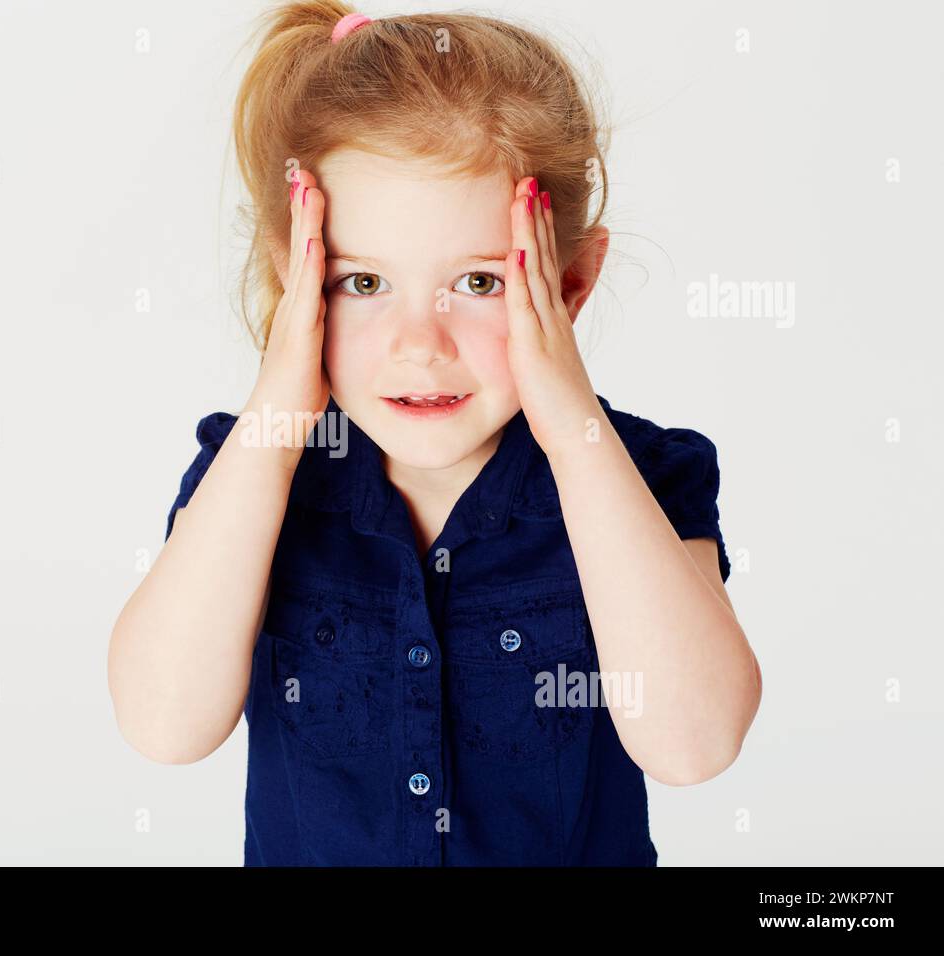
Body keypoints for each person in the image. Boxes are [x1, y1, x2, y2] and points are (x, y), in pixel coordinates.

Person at [108, 1, 762, 866]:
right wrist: (274, 416)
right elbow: (164, 725)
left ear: (570, 284)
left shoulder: (639, 474)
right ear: (295, 279)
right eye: (365, 281)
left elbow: (695, 745)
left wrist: (574, 432)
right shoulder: (254, 470)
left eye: (482, 282)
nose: (421, 342)